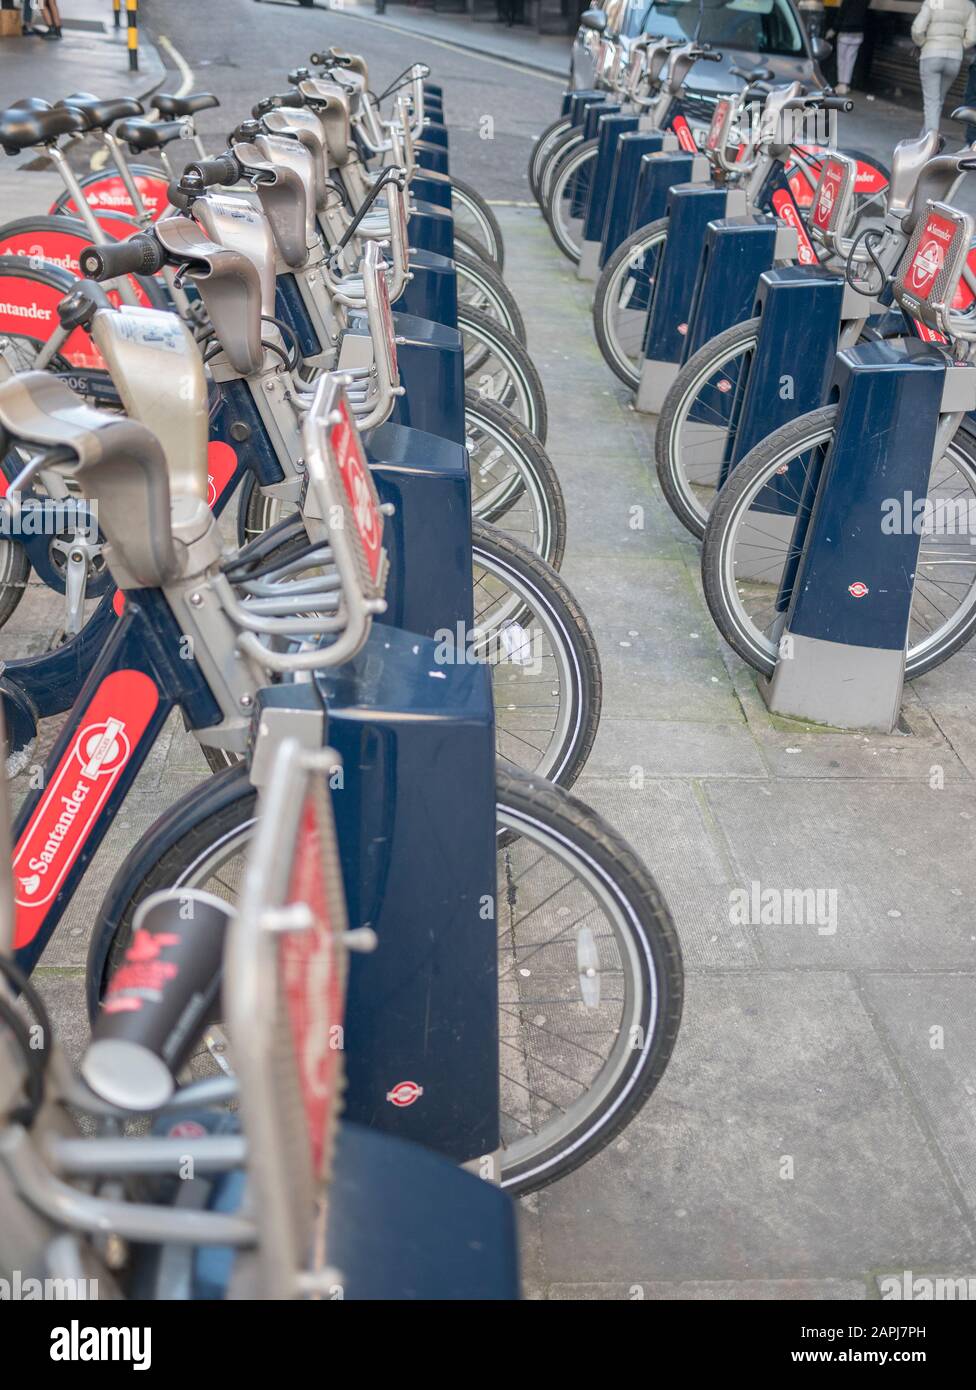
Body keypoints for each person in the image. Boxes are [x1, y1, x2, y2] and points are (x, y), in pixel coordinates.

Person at [912, 0, 976, 134]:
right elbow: (972, 37)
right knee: (938, 101)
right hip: (954, 58)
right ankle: (923, 139)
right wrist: (958, 47)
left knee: (932, 102)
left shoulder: (933, 2)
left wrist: (923, 44)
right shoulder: (969, 5)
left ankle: (931, 142)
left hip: (931, 54)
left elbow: (918, 29)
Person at [826, 0, 868, 95]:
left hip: (845, 32)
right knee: (850, 60)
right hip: (858, 33)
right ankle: (845, 84)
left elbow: (842, 12)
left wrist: (834, 29)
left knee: (841, 59)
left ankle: (841, 84)